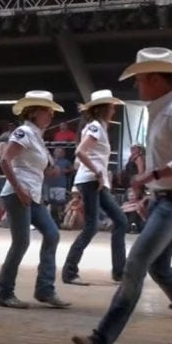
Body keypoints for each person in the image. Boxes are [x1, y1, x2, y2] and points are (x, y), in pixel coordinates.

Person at [73, 47, 172, 344]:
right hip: (169, 198)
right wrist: (151, 181)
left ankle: (101, 338)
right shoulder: (164, 110)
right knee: (160, 269)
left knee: (136, 264)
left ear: (153, 77)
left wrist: (152, 174)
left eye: (139, 79)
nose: (136, 85)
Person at [0, 90, 69, 309]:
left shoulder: (37, 137)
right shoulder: (23, 132)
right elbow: (4, 159)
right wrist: (18, 188)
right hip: (19, 193)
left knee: (52, 234)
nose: (51, 116)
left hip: (32, 195)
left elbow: (45, 169)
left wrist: (53, 170)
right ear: (34, 112)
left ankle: (45, 289)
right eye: (47, 111)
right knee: (22, 242)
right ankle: (5, 292)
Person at [62, 90, 128, 285]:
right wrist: (98, 172)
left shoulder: (97, 127)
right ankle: (70, 271)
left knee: (120, 221)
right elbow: (80, 152)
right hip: (92, 180)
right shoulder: (96, 127)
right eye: (111, 106)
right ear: (104, 108)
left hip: (95, 181)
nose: (114, 109)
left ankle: (119, 271)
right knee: (92, 226)